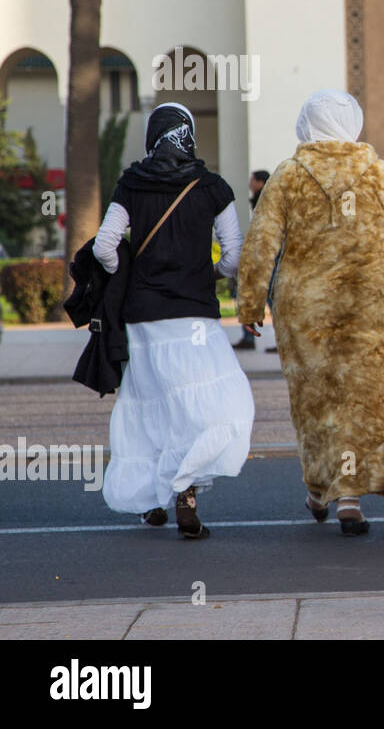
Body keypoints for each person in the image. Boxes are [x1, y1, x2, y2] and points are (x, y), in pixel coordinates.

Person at [236, 90, 384, 536]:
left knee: (316, 402)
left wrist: (249, 303)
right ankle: (350, 497)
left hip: (306, 309)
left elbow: (262, 242)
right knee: (365, 400)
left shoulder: (287, 176)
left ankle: (321, 489)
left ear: (308, 124)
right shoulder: (381, 175)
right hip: (371, 306)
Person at [93, 102, 254, 540]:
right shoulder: (212, 187)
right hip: (196, 319)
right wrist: (209, 273)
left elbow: (104, 247)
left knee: (152, 410)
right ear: (189, 135)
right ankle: (186, 490)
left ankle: (151, 501)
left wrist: (124, 273)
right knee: (202, 408)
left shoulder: (132, 183)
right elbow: (235, 255)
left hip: (144, 319)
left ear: (153, 136)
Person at [232, 170, 270, 351]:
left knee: (250, 295)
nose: (249, 184)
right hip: (264, 254)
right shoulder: (261, 199)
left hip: (264, 255)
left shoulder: (265, 200)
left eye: (252, 180)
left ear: (260, 183)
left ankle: (249, 337)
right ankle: (249, 336)